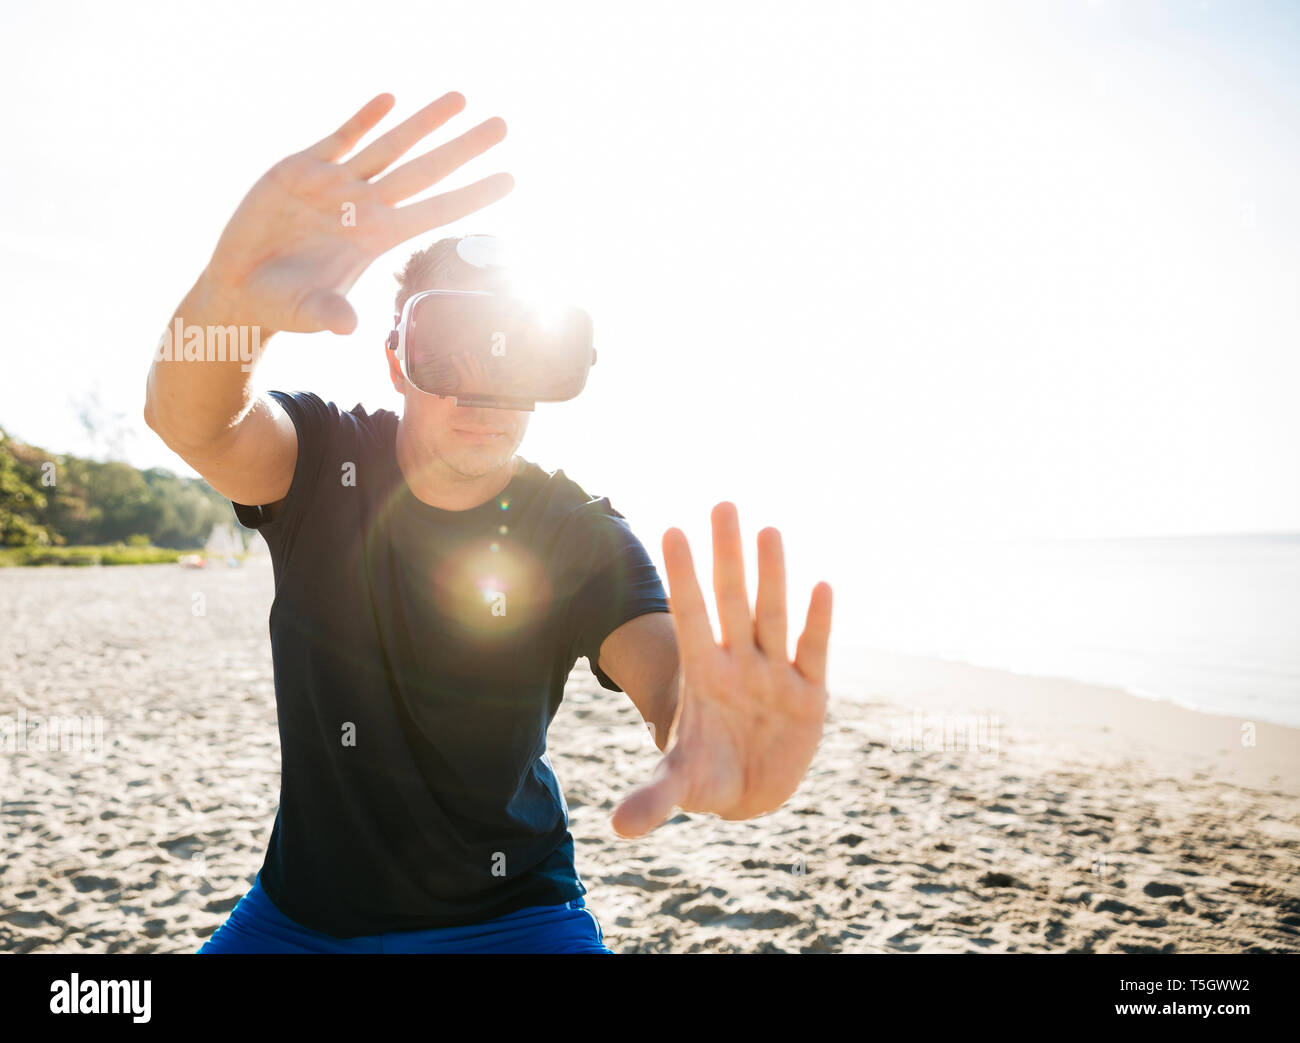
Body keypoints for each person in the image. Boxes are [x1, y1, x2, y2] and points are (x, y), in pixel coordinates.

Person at [143, 92, 834, 954]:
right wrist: (229, 302)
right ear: (395, 356)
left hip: (516, 918)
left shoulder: (576, 531)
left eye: (518, 345)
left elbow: (668, 688)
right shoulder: (323, 460)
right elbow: (194, 423)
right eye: (453, 340)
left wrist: (712, 734)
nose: (487, 378)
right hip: (299, 918)